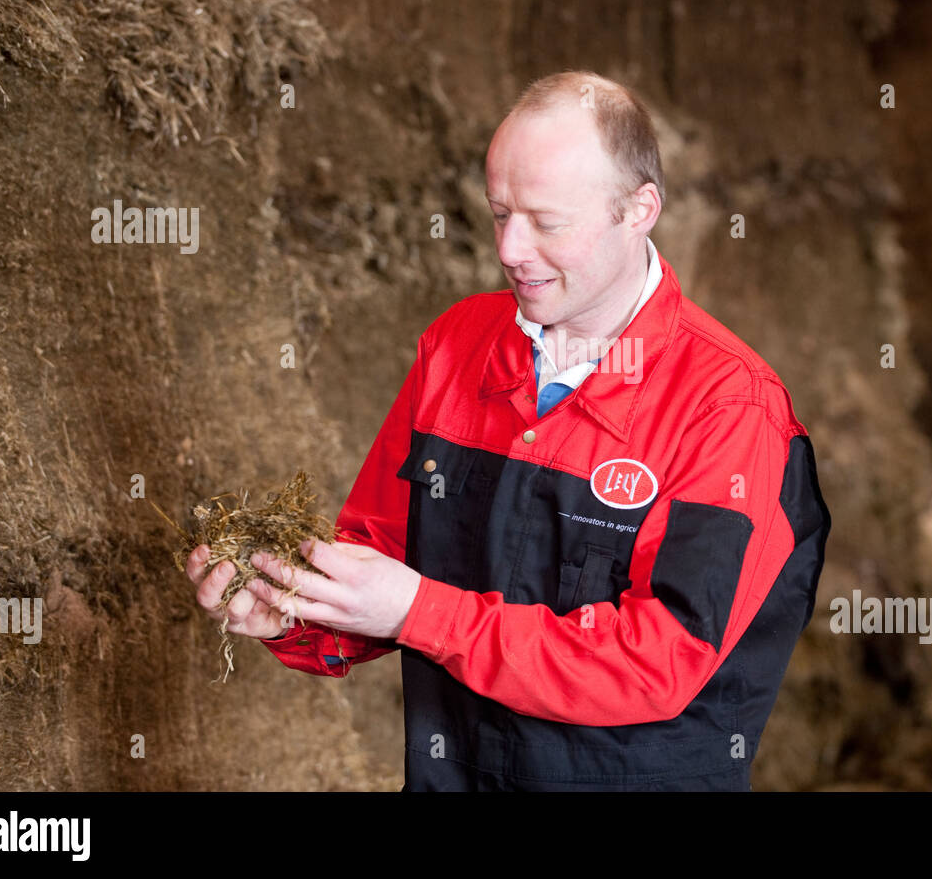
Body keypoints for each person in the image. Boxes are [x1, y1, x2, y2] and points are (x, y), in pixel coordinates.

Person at [184, 70, 830, 790]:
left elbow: (658, 658)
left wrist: (420, 611)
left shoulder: (727, 408)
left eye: (547, 222)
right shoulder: (457, 345)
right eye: (499, 213)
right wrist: (293, 609)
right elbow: (381, 554)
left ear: (640, 209)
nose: (511, 249)